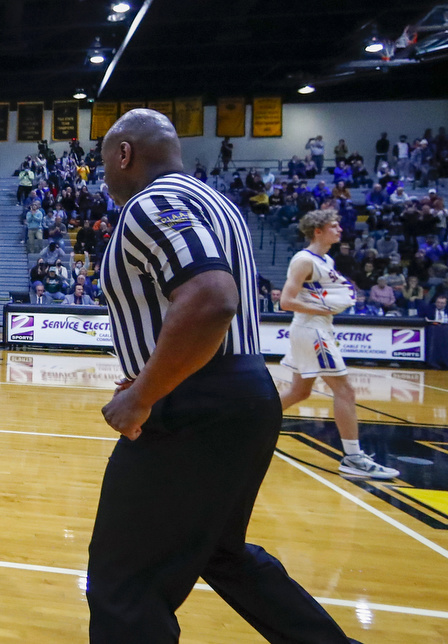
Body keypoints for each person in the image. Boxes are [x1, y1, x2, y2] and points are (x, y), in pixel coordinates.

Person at [91, 109, 353, 642]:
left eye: (105, 163)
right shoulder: (218, 204)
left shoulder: (153, 202)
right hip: (242, 392)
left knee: (125, 584)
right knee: (222, 554)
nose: (105, 177)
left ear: (125, 154)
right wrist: (152, 372)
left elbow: (212, 300)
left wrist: (144, 392)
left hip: (193, 409)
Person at [277, 209, 399, 480]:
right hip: (312, 331)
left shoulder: (326, 259)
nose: (340, 229)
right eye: (334, 226)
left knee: (299, 392)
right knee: (345, 391)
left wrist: (329, 305)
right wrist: (323, 307)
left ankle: (249, 423)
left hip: (315, 328)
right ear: (317, 231)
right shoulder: (303, 260)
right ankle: (354, 458)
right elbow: (285, 301)